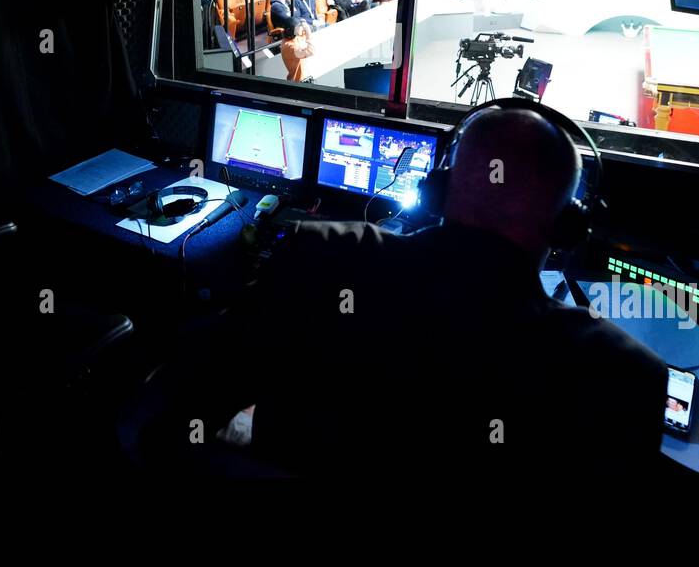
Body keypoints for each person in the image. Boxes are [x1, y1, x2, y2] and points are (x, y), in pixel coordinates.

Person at [146, 103, 667, 476]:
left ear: (435, 191)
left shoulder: (321, 254)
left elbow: (193, 391)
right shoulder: (624, 372)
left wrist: (255, 426)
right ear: (568, 227)